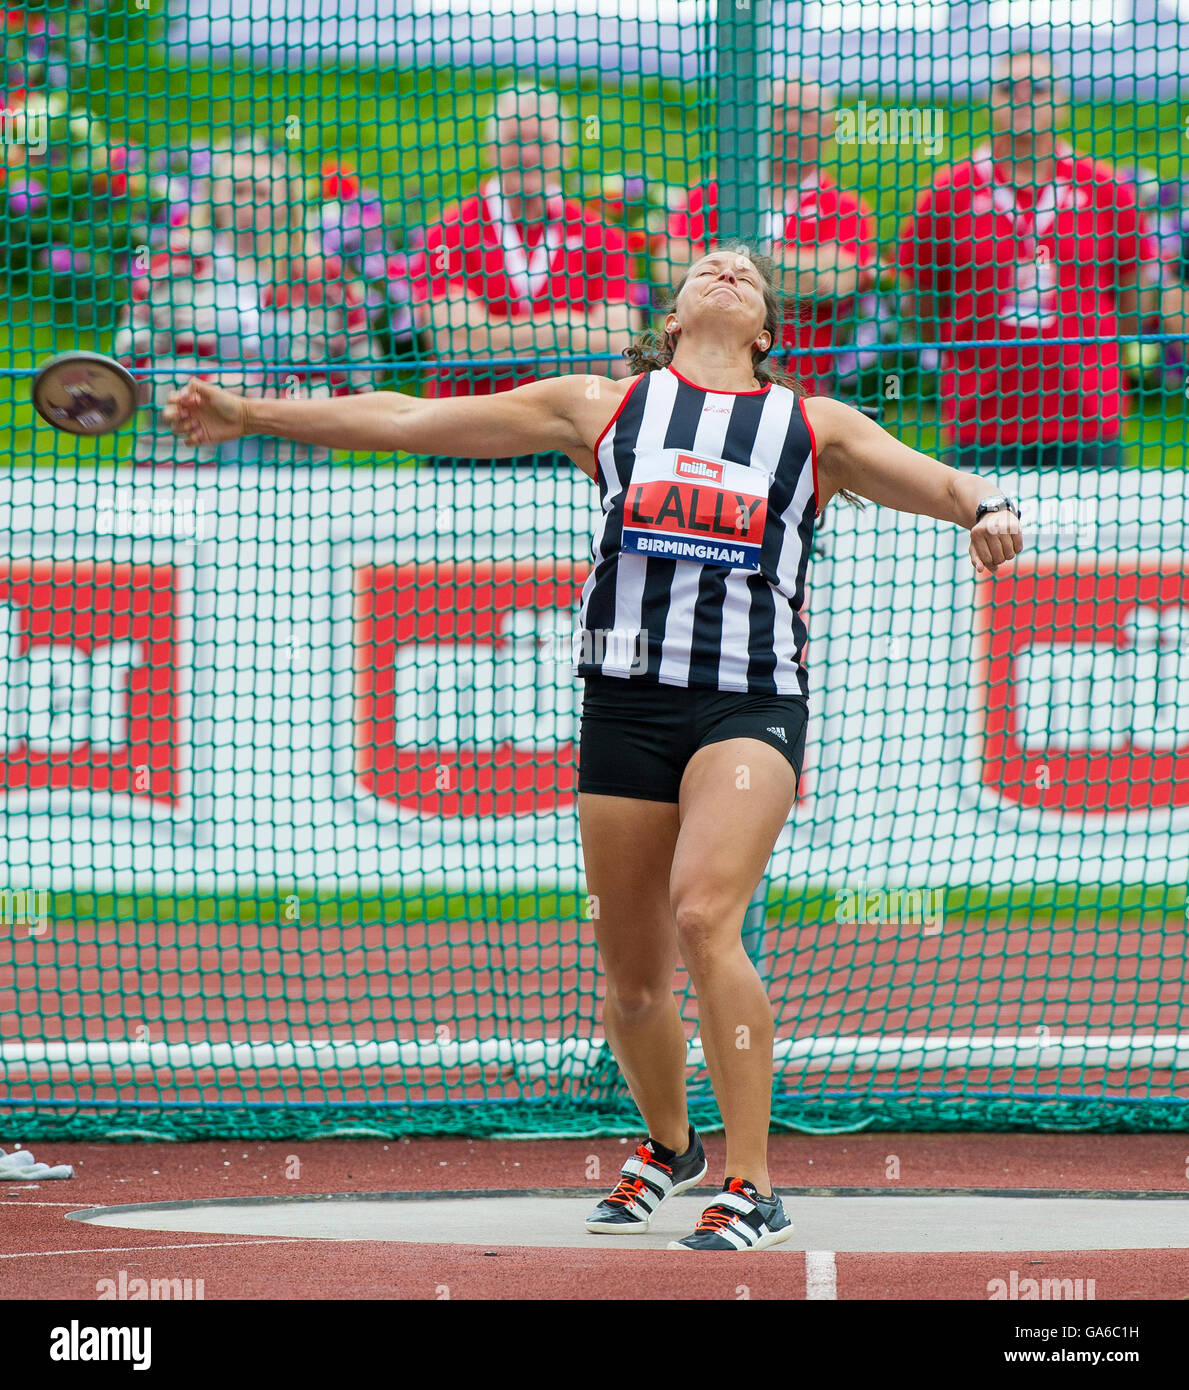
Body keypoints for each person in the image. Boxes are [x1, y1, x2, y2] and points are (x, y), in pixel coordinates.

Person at [163, 244, 1023, 1251]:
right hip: (624, 706)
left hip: (746, 704)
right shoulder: (605, 407)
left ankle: (752, 1180)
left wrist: (987, 508)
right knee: (631, 979)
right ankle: (669, 1144)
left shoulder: (809, 424)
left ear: (766, 333)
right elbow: (405, 419)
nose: (727, 268)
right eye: (708, 263)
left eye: (747, 271)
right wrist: (249, 415)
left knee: (705, 913)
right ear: (670, 319)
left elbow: (938, 480)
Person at [897, 50, 1160, 471]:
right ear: (990, 101)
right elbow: (920, 305)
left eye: (1036, 88)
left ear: (1060, 100)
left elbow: (1136, 300)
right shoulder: (946, 196)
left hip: (1088, 420)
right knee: (984, 538)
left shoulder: (1109, 191)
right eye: (1008, 88)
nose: (1022, 98)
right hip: (979, 423)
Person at [115, 135, 374, 464]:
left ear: (286, 201)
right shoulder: (168, 271)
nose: (247, 204)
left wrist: (269, 403)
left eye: (262, 192)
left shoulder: (327, 283)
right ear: (214, 197)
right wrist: (208, 388)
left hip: (294, 479)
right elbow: (125, 374)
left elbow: (363, 383)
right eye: (237, 190)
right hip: (178, 469)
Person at [404, 86, 636, 452]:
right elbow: (457, 344)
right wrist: (567, 329)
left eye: (541, 140)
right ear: (493, 147)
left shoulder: (601, 236)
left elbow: (619, 350)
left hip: (571, 445)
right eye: (515, 139)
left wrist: (498, 339)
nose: (528, 153)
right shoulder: (448, 232)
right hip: (466, 439)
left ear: (563, 150)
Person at [660, 78, 877, 396]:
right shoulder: (707, 193)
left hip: (800, 392)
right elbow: (669, 269)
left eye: (804, 115)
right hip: (697, 385)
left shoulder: (845, 208)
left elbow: (832, 282)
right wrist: (794, 274)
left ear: (828, 128)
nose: (790, 124)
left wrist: (715, 272)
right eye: (779, 111)